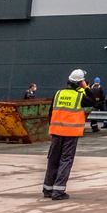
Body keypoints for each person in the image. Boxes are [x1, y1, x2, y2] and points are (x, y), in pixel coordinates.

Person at [42, 68, 97, 201]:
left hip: (56, 132)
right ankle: (58, 191)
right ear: (80, 83)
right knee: (65, 161)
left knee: (53, 160)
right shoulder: (79, 96)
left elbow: (51, 112)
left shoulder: (59, 93)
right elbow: (93, 101)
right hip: (70, 133)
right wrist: (87, 87)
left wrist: (53, 128)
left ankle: (48, 189)